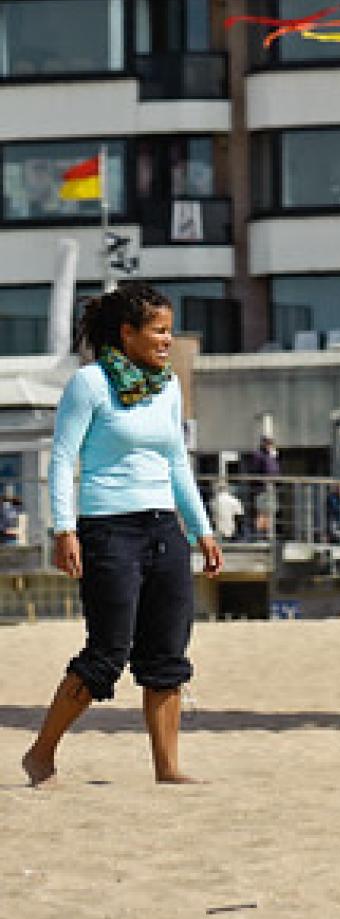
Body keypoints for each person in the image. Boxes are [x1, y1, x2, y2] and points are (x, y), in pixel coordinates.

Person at [22, 281, 222, 787]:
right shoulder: (90, 384)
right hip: (108, 531)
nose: (166, 341)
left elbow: (176, 461)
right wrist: (62, 529)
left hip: (163, 529)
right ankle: (41, 753)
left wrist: (202, 530)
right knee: (106, 653)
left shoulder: (168, 385)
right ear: (126, 333)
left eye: (169, 332)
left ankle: (168, 768)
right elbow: (64, 458)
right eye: (158, 331)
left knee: (167, 653)